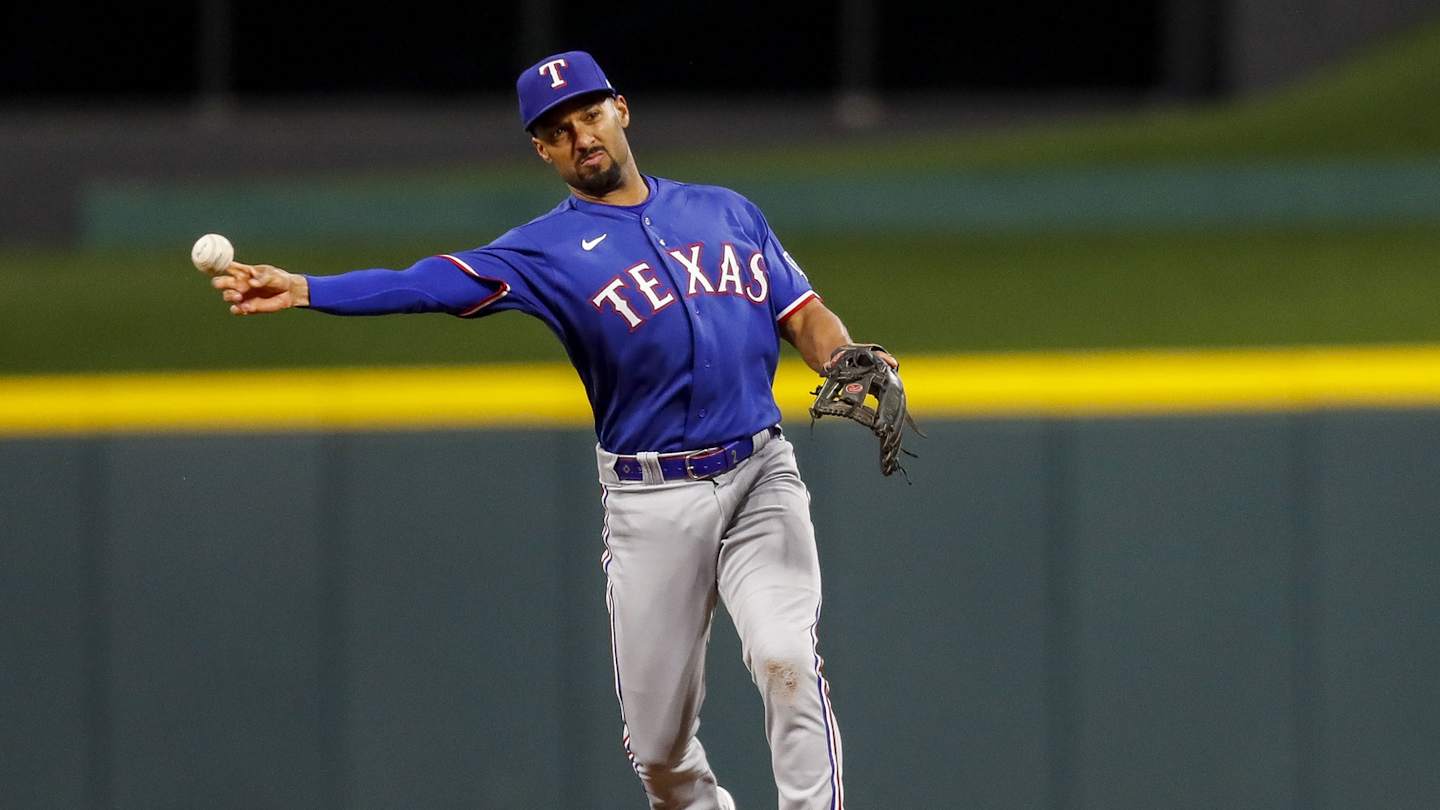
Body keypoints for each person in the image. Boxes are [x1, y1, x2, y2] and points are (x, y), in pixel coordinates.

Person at [210, 50, 894, 810]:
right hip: (652, 503)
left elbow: (801, 312)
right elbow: (426, 283)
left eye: (591, 114)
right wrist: (308, 288)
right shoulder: (544, 250)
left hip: (761, 474)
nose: (582, 136)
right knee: (660, 753)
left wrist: (844, 357)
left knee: (784, 657)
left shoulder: (727, 210)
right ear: (542, 149)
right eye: (558, 130)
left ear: (622, 110)